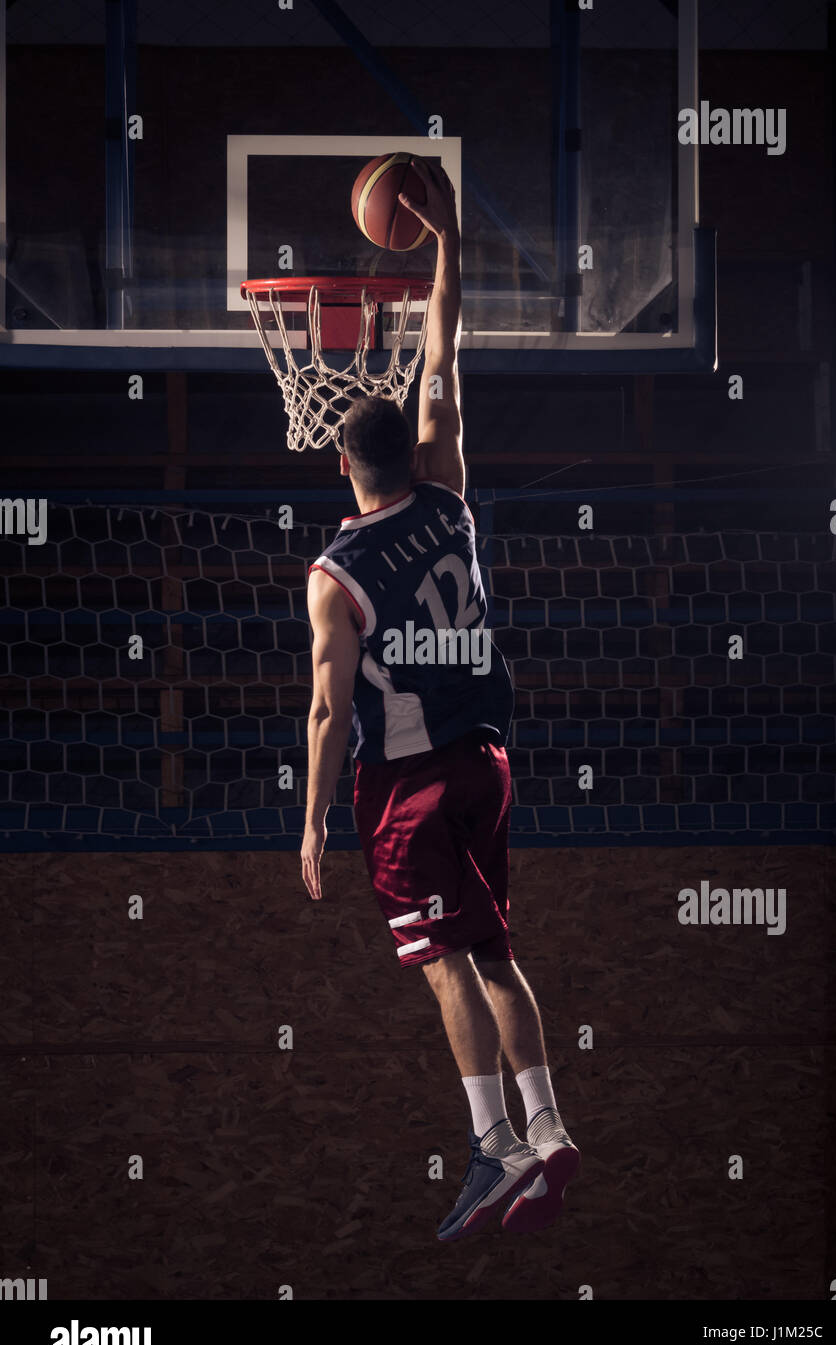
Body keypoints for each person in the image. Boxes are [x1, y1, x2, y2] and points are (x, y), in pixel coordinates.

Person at [301, 159, 579, 1240]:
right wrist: (451, 241)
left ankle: (494, 1146)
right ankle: (547, 1132)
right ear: (407, 451)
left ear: (339, 461)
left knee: (442, 961)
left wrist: (316, 820)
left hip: (409, 788)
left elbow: (330, 712)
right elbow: (443, 355)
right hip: (491, 766)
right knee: (496, 951)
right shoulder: (451, 491)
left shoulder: (334, 574)